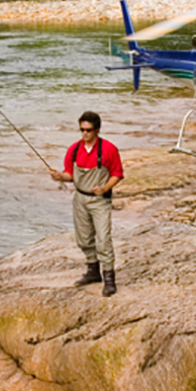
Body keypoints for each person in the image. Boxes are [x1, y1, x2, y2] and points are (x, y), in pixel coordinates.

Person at [50, 111, 123, 296]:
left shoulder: (109, 149)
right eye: (81, 129)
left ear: (97, 130)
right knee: (83, 237)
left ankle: (109, 278)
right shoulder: (74, 149)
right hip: (80, 198)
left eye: (88, 130)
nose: (84, 134)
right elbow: (70, 175)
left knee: (103, 238)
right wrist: (60, 176)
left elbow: (118, 173)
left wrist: (106, 187)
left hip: (100, 201)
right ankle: (93, 272)